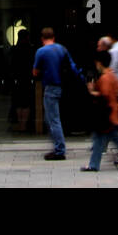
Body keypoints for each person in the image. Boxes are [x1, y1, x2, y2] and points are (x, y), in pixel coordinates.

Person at [32, 27, 84, 160]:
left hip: (50, 86)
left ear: (42, 38)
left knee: (53, 119)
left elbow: (35, 72)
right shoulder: (62, 49)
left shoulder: (41, 51)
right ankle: (58, 145)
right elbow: (72, 66)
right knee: (52, 118)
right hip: (63, 86)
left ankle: (59, 150)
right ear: (53, 37)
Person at [82, 50, 118, 172]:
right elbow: (117, 90)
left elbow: (104, 95)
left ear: (99, 63)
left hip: (106, 113)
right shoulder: (112, 75)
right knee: (114, 137)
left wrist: (92, 91)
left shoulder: (105, 78)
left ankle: (94, 165)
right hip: (112, 111)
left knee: (100, 138)